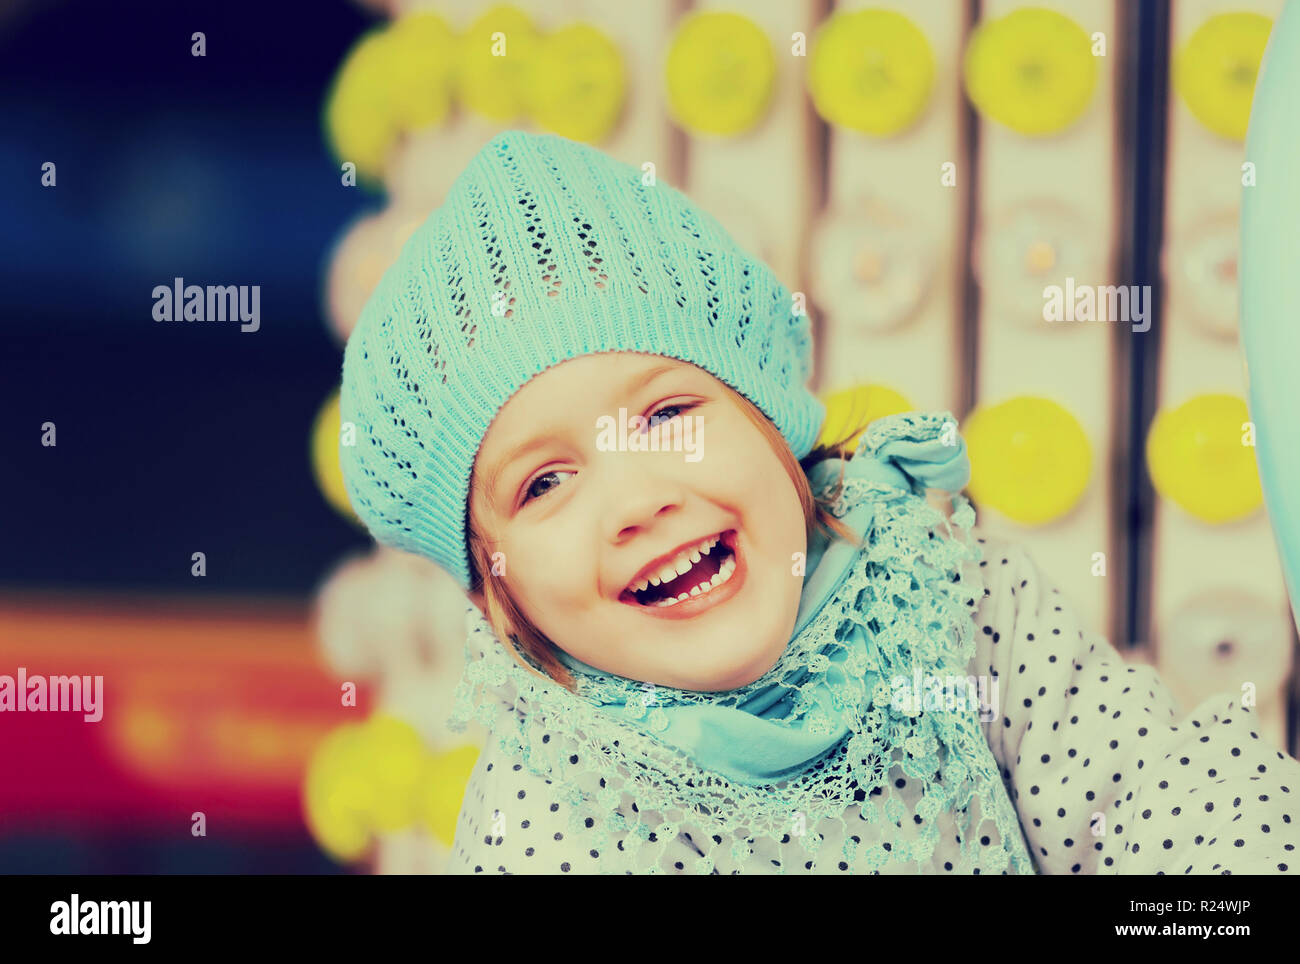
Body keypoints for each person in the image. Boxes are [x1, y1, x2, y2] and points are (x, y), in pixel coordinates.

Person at [338, 129, 1300, 874]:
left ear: (773, 421)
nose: (634, 499)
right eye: (544, 483)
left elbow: (1155, 799)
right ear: (492, 593)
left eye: (669, 411)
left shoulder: (949, 603)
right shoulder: (551, 817)